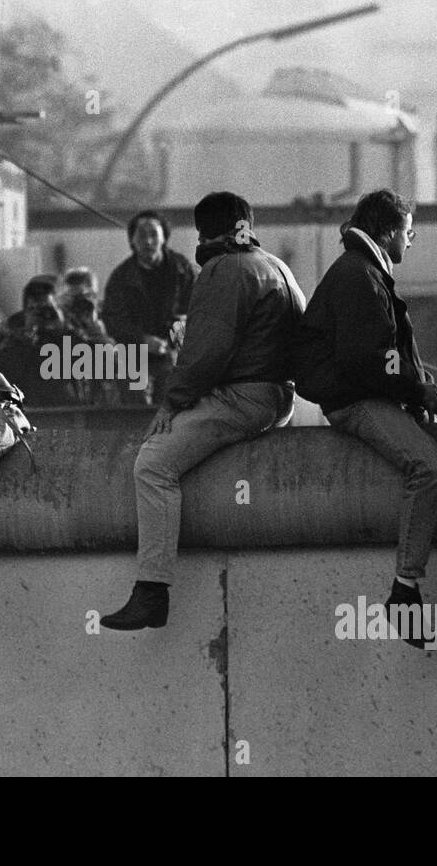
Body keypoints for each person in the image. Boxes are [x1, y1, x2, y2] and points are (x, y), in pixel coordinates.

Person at [100, 192, 306, 630]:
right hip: (280, 398)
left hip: (245, 398)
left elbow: (206, 355)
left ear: (205, 231)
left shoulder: (222, 268)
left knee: (152, 464)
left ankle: (151, 591)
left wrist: (172, 402)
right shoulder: (277, 266)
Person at [293, 189, 437, 649]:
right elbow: (373, 360)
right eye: (408, 231)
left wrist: (416, 389)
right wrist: (420, 389)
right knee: (430, 468)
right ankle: (404, 590)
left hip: (356, 396)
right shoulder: (360, 275)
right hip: (355, 403)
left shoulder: (358, 269)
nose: (412, 240)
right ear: (388, 233)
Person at [102, 210, 198, 405]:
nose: (148, 242)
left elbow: (198, 309)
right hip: (132, 357)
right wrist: (143, 340)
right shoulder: (120, 277)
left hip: (175, 354)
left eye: (154, 234)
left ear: (164, 238)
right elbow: (113, 321)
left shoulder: (183, 270)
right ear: (132, 241)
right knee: (135, 415)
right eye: (142, 235)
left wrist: (177, 334)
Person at [0, 274, 72, 406]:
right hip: (28, 407)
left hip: (64, 406)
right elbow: (4, 374)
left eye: (48, 309)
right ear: (25, 311)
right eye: (35, 310)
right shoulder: (12, 331)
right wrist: (26, 338)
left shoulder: (69, 329)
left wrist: (62, 330)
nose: (43, 315)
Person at [58, 267, 118, 405]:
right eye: (73, 298)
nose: (78, 304)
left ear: (95, 297)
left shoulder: (110, 320)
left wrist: (99, 335)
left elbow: (122, 367)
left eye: (84, 297)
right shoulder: (59, 324)